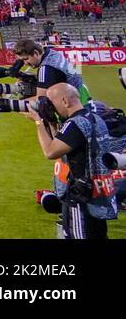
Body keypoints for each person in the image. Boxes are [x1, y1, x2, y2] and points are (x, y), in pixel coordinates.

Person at [27, 83, 118, 239]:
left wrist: (38, 122)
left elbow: (51, 152)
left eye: (51, 103)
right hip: (99, 191)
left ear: (65, 101)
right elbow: (64, 148)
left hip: (81, 195)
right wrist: (52, 123)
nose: (50, 108)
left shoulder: (74, 124)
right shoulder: (95, 118)